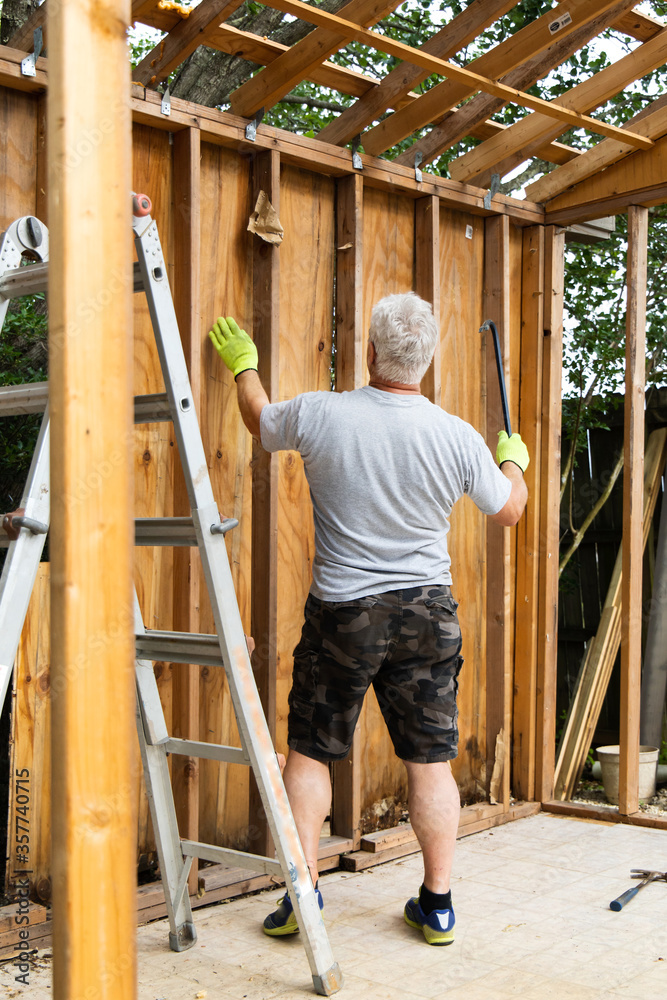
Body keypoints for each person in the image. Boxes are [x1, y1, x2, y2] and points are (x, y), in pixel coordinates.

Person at [208, 292, 528, 946]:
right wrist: (511, 459)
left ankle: (303, 896)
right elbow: (509, 510)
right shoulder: (454, 435)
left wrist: (244, 364)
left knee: (311, 753)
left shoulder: (323, 413)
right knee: (429, 761)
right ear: (427, 361)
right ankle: (436, 905)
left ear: (371, 351)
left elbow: (260, 420)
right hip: (426, 615)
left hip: (344, 615)